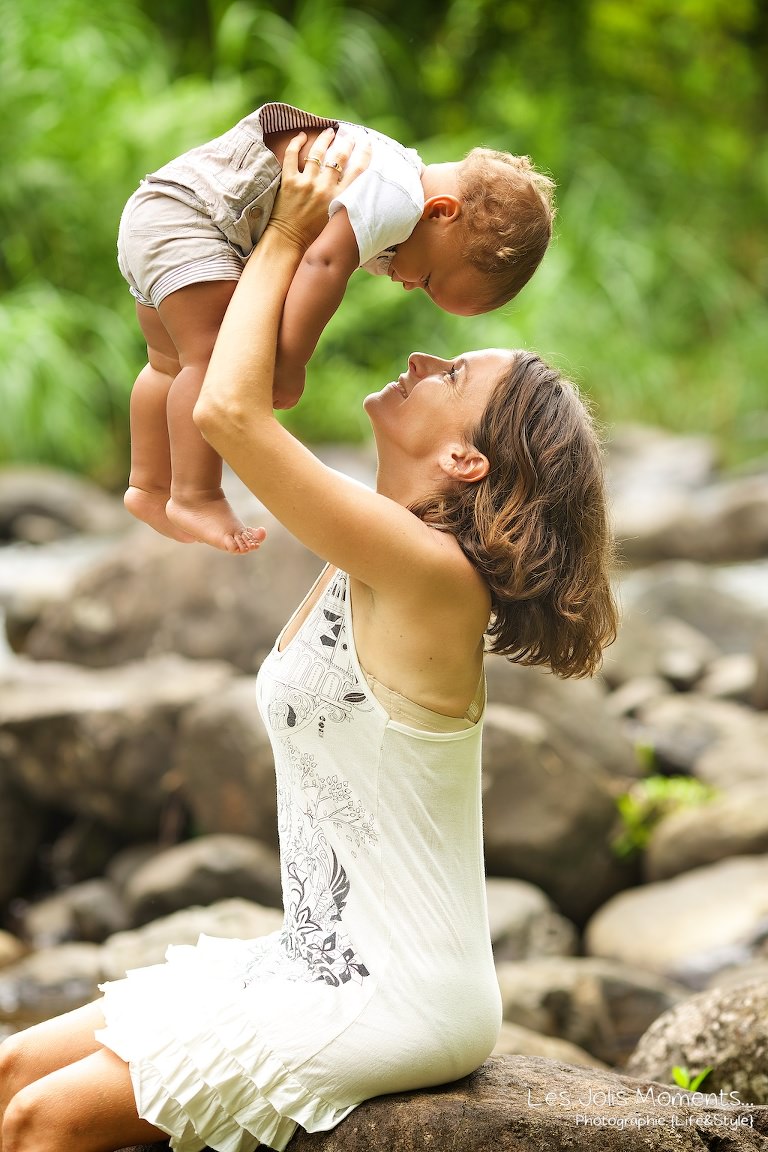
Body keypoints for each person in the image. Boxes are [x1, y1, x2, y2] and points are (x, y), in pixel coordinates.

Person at [0, 132, 616, 1152]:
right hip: (309, 955)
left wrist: (287, 233)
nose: (419, 353)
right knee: (14, 1066)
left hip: (402, 990)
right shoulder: (376, 550)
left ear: (465, 457)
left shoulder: (433, 579)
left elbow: (233, 411)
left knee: (42, 1119)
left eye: (450, 368)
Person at [118, 100, 556, 553]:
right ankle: (196, 494)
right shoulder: (400, 196)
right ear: (442, 212)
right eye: (426, 280)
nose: (408, 286)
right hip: (198, 223)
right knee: (211, 358)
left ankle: (149, 486)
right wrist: (289, 362)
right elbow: (322, 263)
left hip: (161, 213)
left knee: (167, 364)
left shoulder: (393, 170)